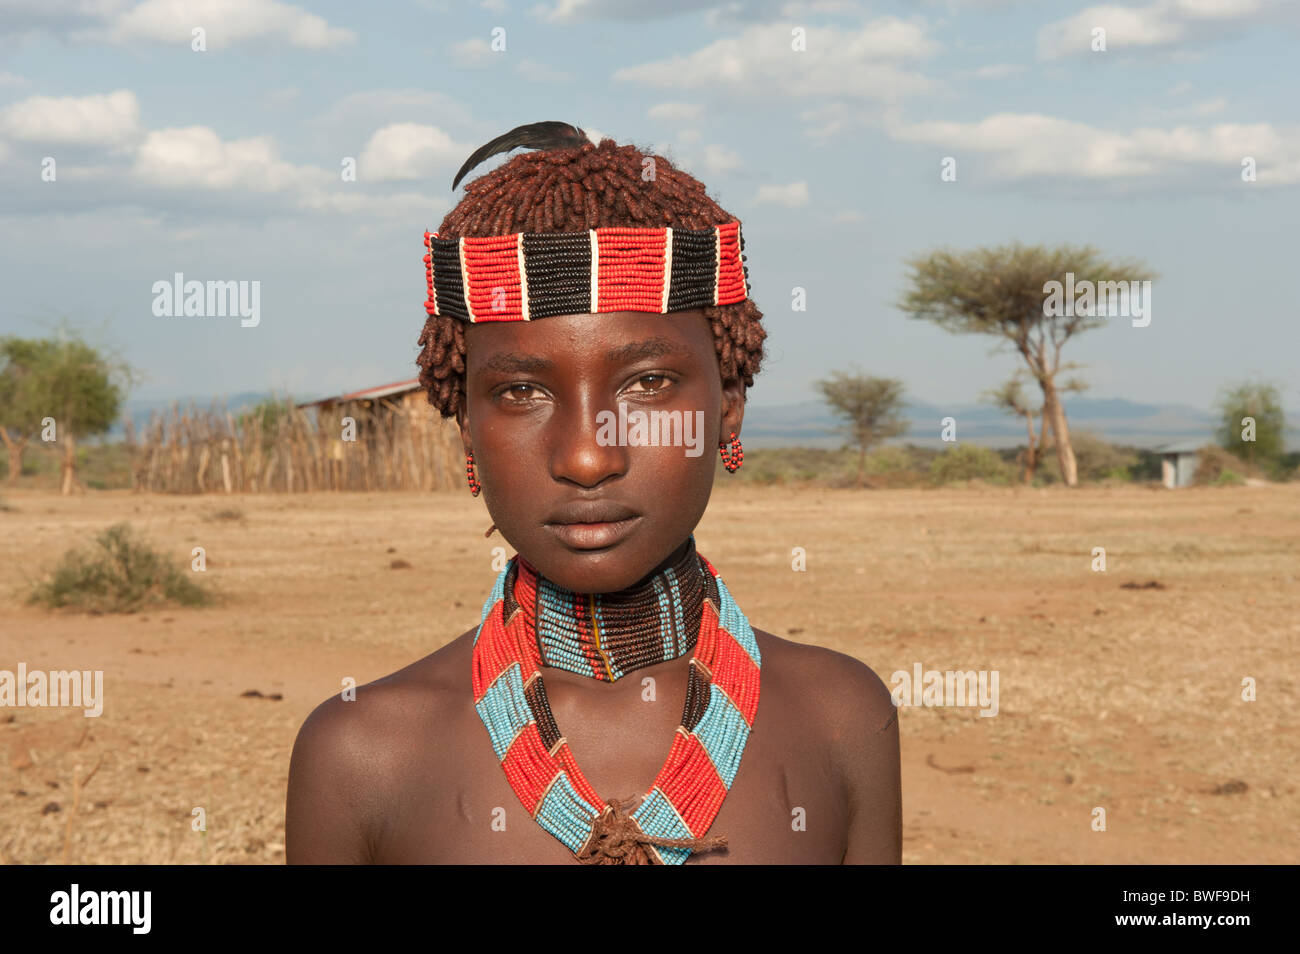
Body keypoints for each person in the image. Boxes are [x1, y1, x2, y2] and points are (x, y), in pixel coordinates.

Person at [286, 122, 901, 864]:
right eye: (520, 391)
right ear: (464, 429)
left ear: (729, 403)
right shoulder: (361, 756)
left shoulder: (841, 720)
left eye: (647, 383)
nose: (586, 456)